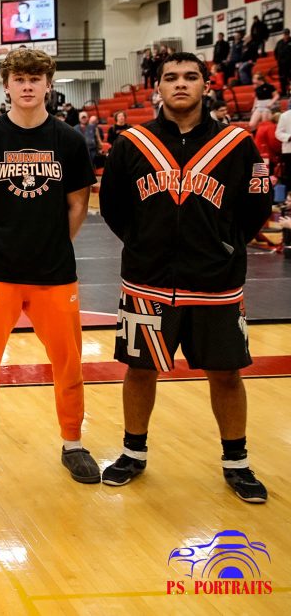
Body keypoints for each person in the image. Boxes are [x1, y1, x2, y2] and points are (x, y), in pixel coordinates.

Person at [98, 51, 273, 504]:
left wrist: (225, 247)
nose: (180, 84)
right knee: (140, 370)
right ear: (156, 87)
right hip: (146, 281)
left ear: (205, 85)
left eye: (190, 77)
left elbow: (255, 210)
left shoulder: (238, 145)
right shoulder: (130, 143)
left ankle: (236, 460)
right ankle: (133, 452)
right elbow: (115, 209)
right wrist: (144, 244)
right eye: (170, 77)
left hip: (216, 284)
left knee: (227, 374)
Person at [0, 48, 99, 486]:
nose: (28, 85)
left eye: (36, 78)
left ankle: (73, 442)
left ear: (48, 84)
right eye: (20, 78)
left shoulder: (69, 140)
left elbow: (78, 204)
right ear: (7, 85)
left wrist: (50, 245)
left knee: (68, 364)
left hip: (55, 273)